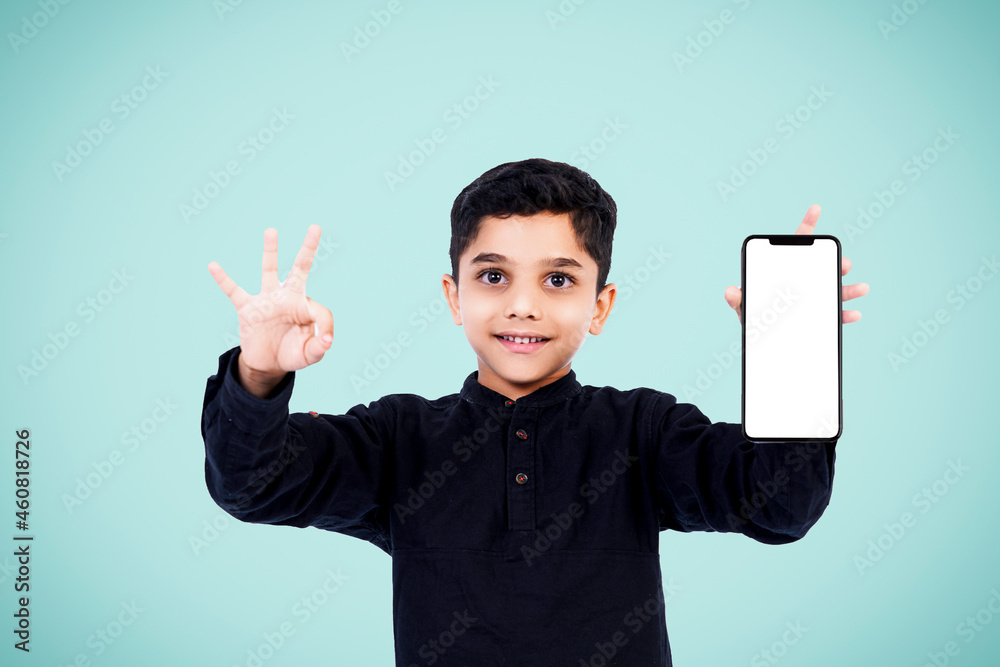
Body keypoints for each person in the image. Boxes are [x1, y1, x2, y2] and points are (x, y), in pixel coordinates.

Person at [201, 158, 869, 666]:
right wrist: (259, 369)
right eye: (493, 275)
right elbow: (252, 483)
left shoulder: (643, 428)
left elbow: (781, 506)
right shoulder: (398, 438)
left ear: (599, 305)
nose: (523, 305)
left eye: (558, 279)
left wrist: (792, 357)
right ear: (453, 295)